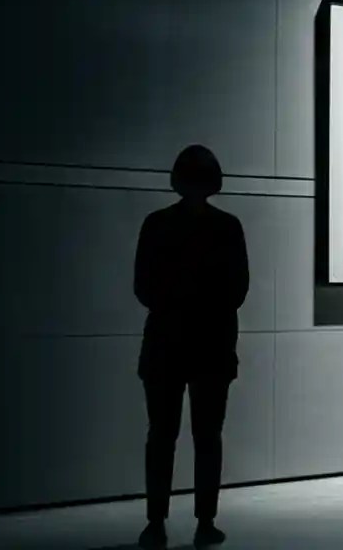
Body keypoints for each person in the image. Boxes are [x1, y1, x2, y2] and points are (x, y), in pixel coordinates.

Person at [134, 145, 250, 549]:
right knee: (206, 437)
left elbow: (144, 288)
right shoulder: (227, 227)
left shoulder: (157, 224)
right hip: (211, 345)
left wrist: (176, 302)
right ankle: (204, 521)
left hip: (167, 343)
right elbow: (238, 290)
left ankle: (156, 522)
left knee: (162, 436)